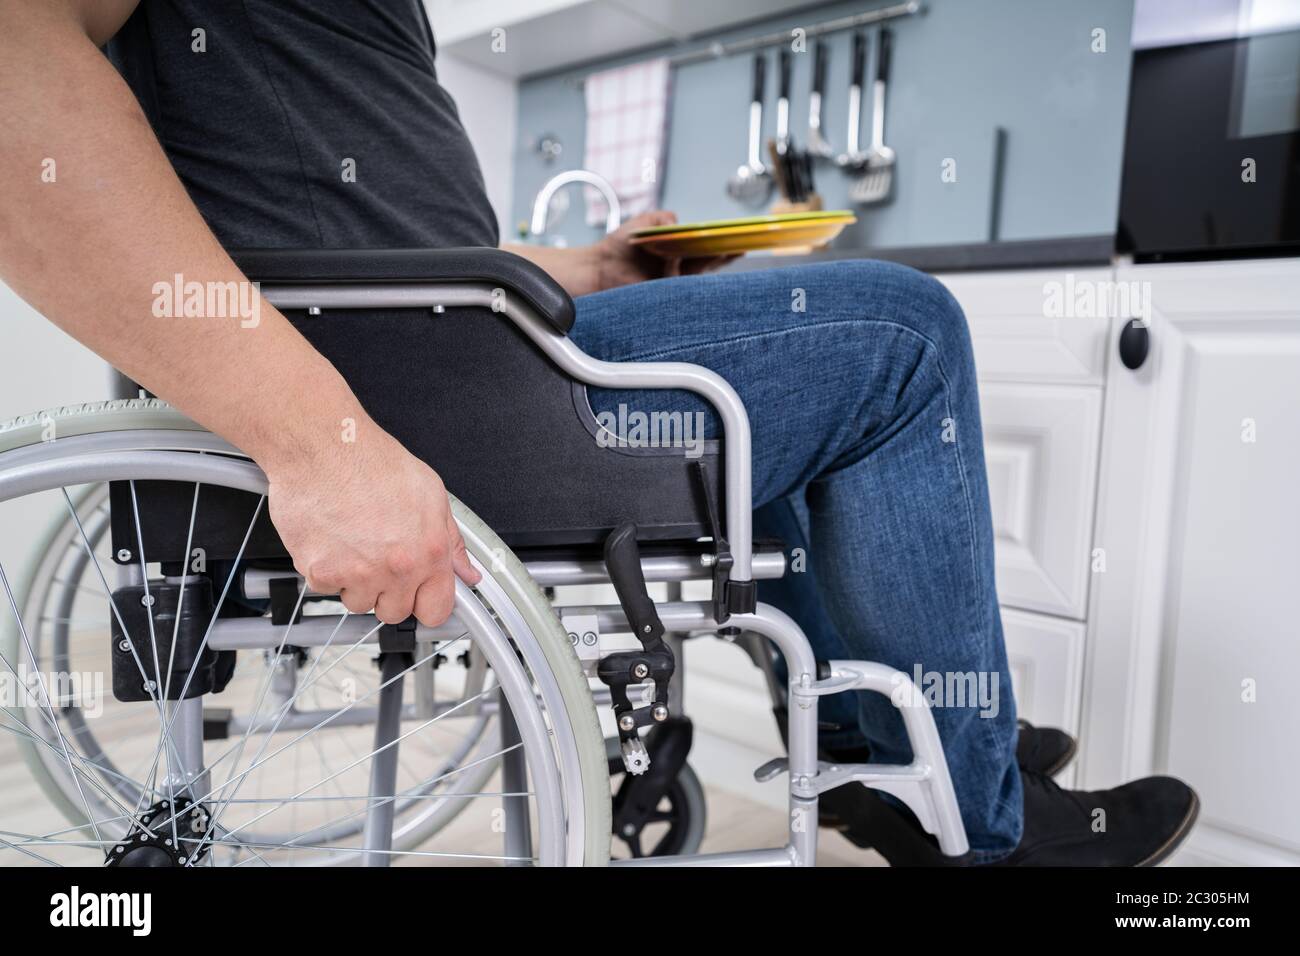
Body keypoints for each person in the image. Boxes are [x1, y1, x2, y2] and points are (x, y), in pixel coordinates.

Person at [0, 0, 1197, 865]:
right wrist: (322, 442)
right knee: (905, 329)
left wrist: (589, 267)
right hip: (429, 409)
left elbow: (390, 257)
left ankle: (892, 747)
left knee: (784, 383)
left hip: (440, 364)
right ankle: (988, 829)